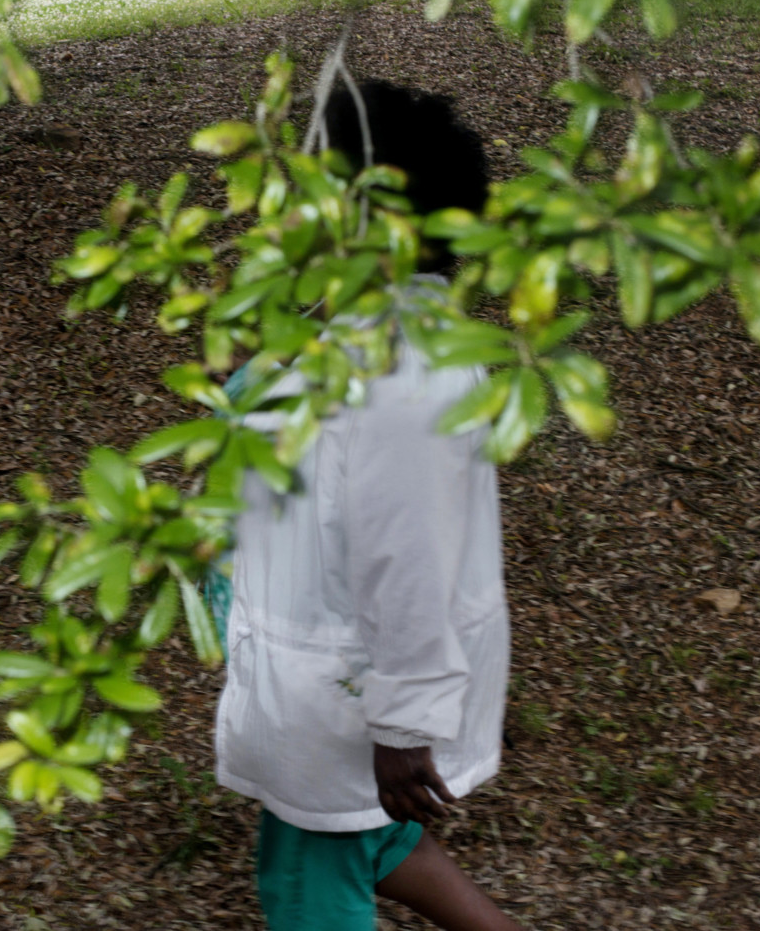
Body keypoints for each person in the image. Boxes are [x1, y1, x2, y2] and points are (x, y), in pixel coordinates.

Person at [211, 81, 524, 931]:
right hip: (329, 678)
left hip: (347, 698)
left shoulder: (402, 379)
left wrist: (402, 725)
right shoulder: (359, 335)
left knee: (311, 885)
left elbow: (410, 559)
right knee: (378, 841)